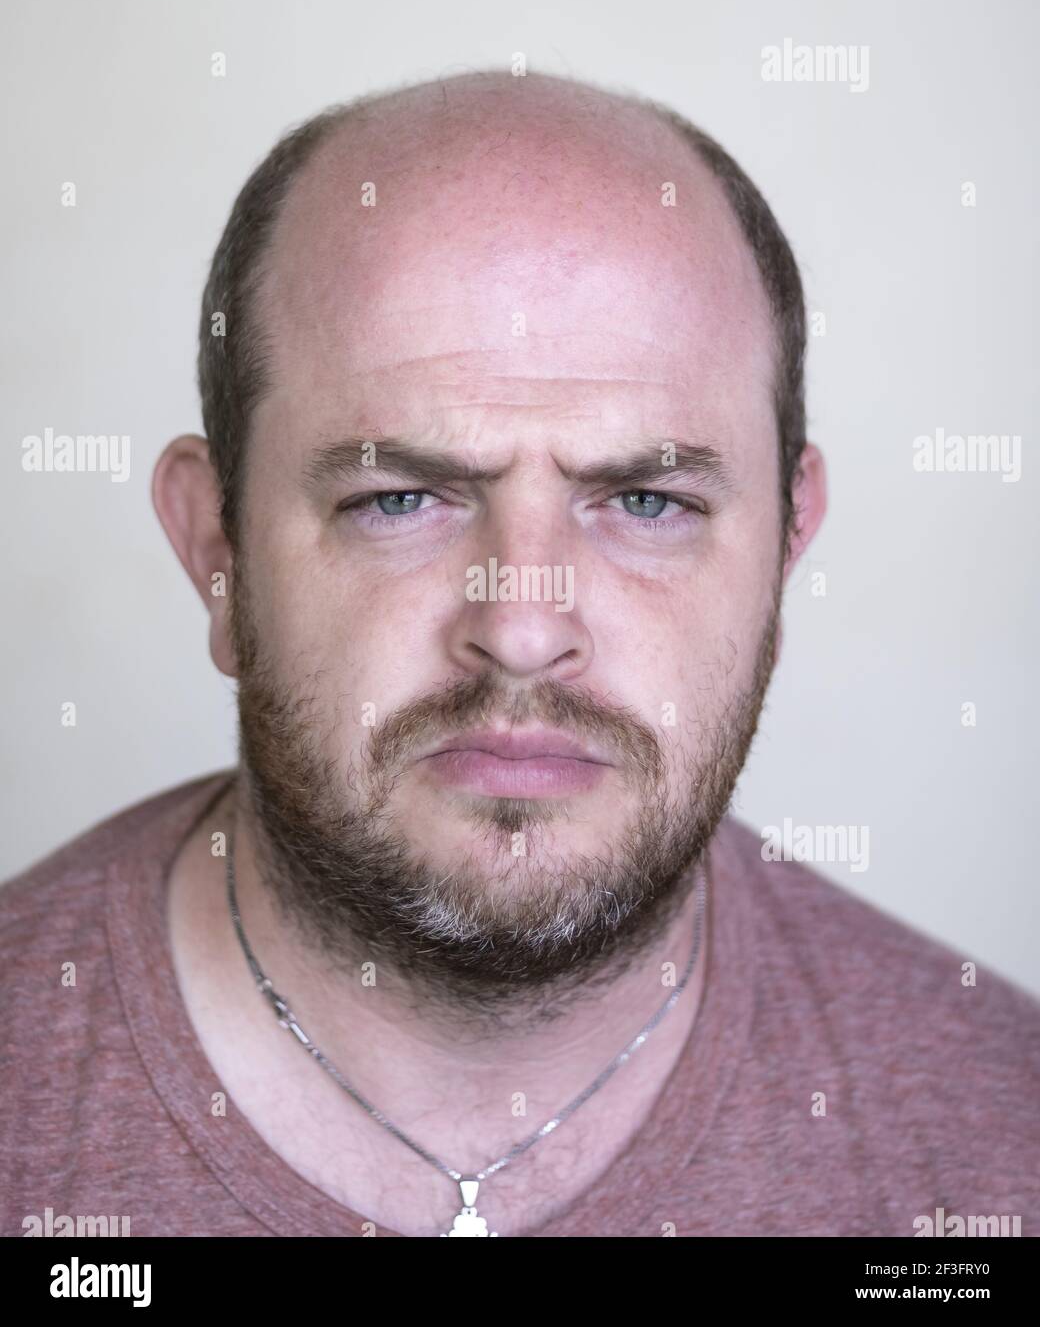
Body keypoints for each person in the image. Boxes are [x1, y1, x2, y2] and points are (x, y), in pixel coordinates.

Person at [3, 70, 1036, 1239]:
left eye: (646, 502)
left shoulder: (1000, 1150)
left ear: (786, 545)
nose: (523, 624)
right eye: (399, 500)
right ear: (216, 547)